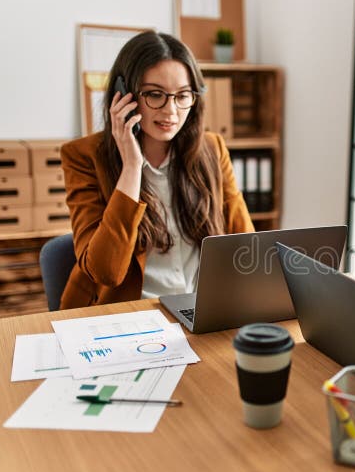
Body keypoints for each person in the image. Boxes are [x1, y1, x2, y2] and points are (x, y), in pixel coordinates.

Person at [60, 31, 253, 309]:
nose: (171, 111)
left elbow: (245, 245)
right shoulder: (84, 156)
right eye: (154, 94)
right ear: (124, 96)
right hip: (124, 315)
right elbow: (106, 272)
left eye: (182, 95)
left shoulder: (212, 149)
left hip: (199, 311)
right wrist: (132, 167)